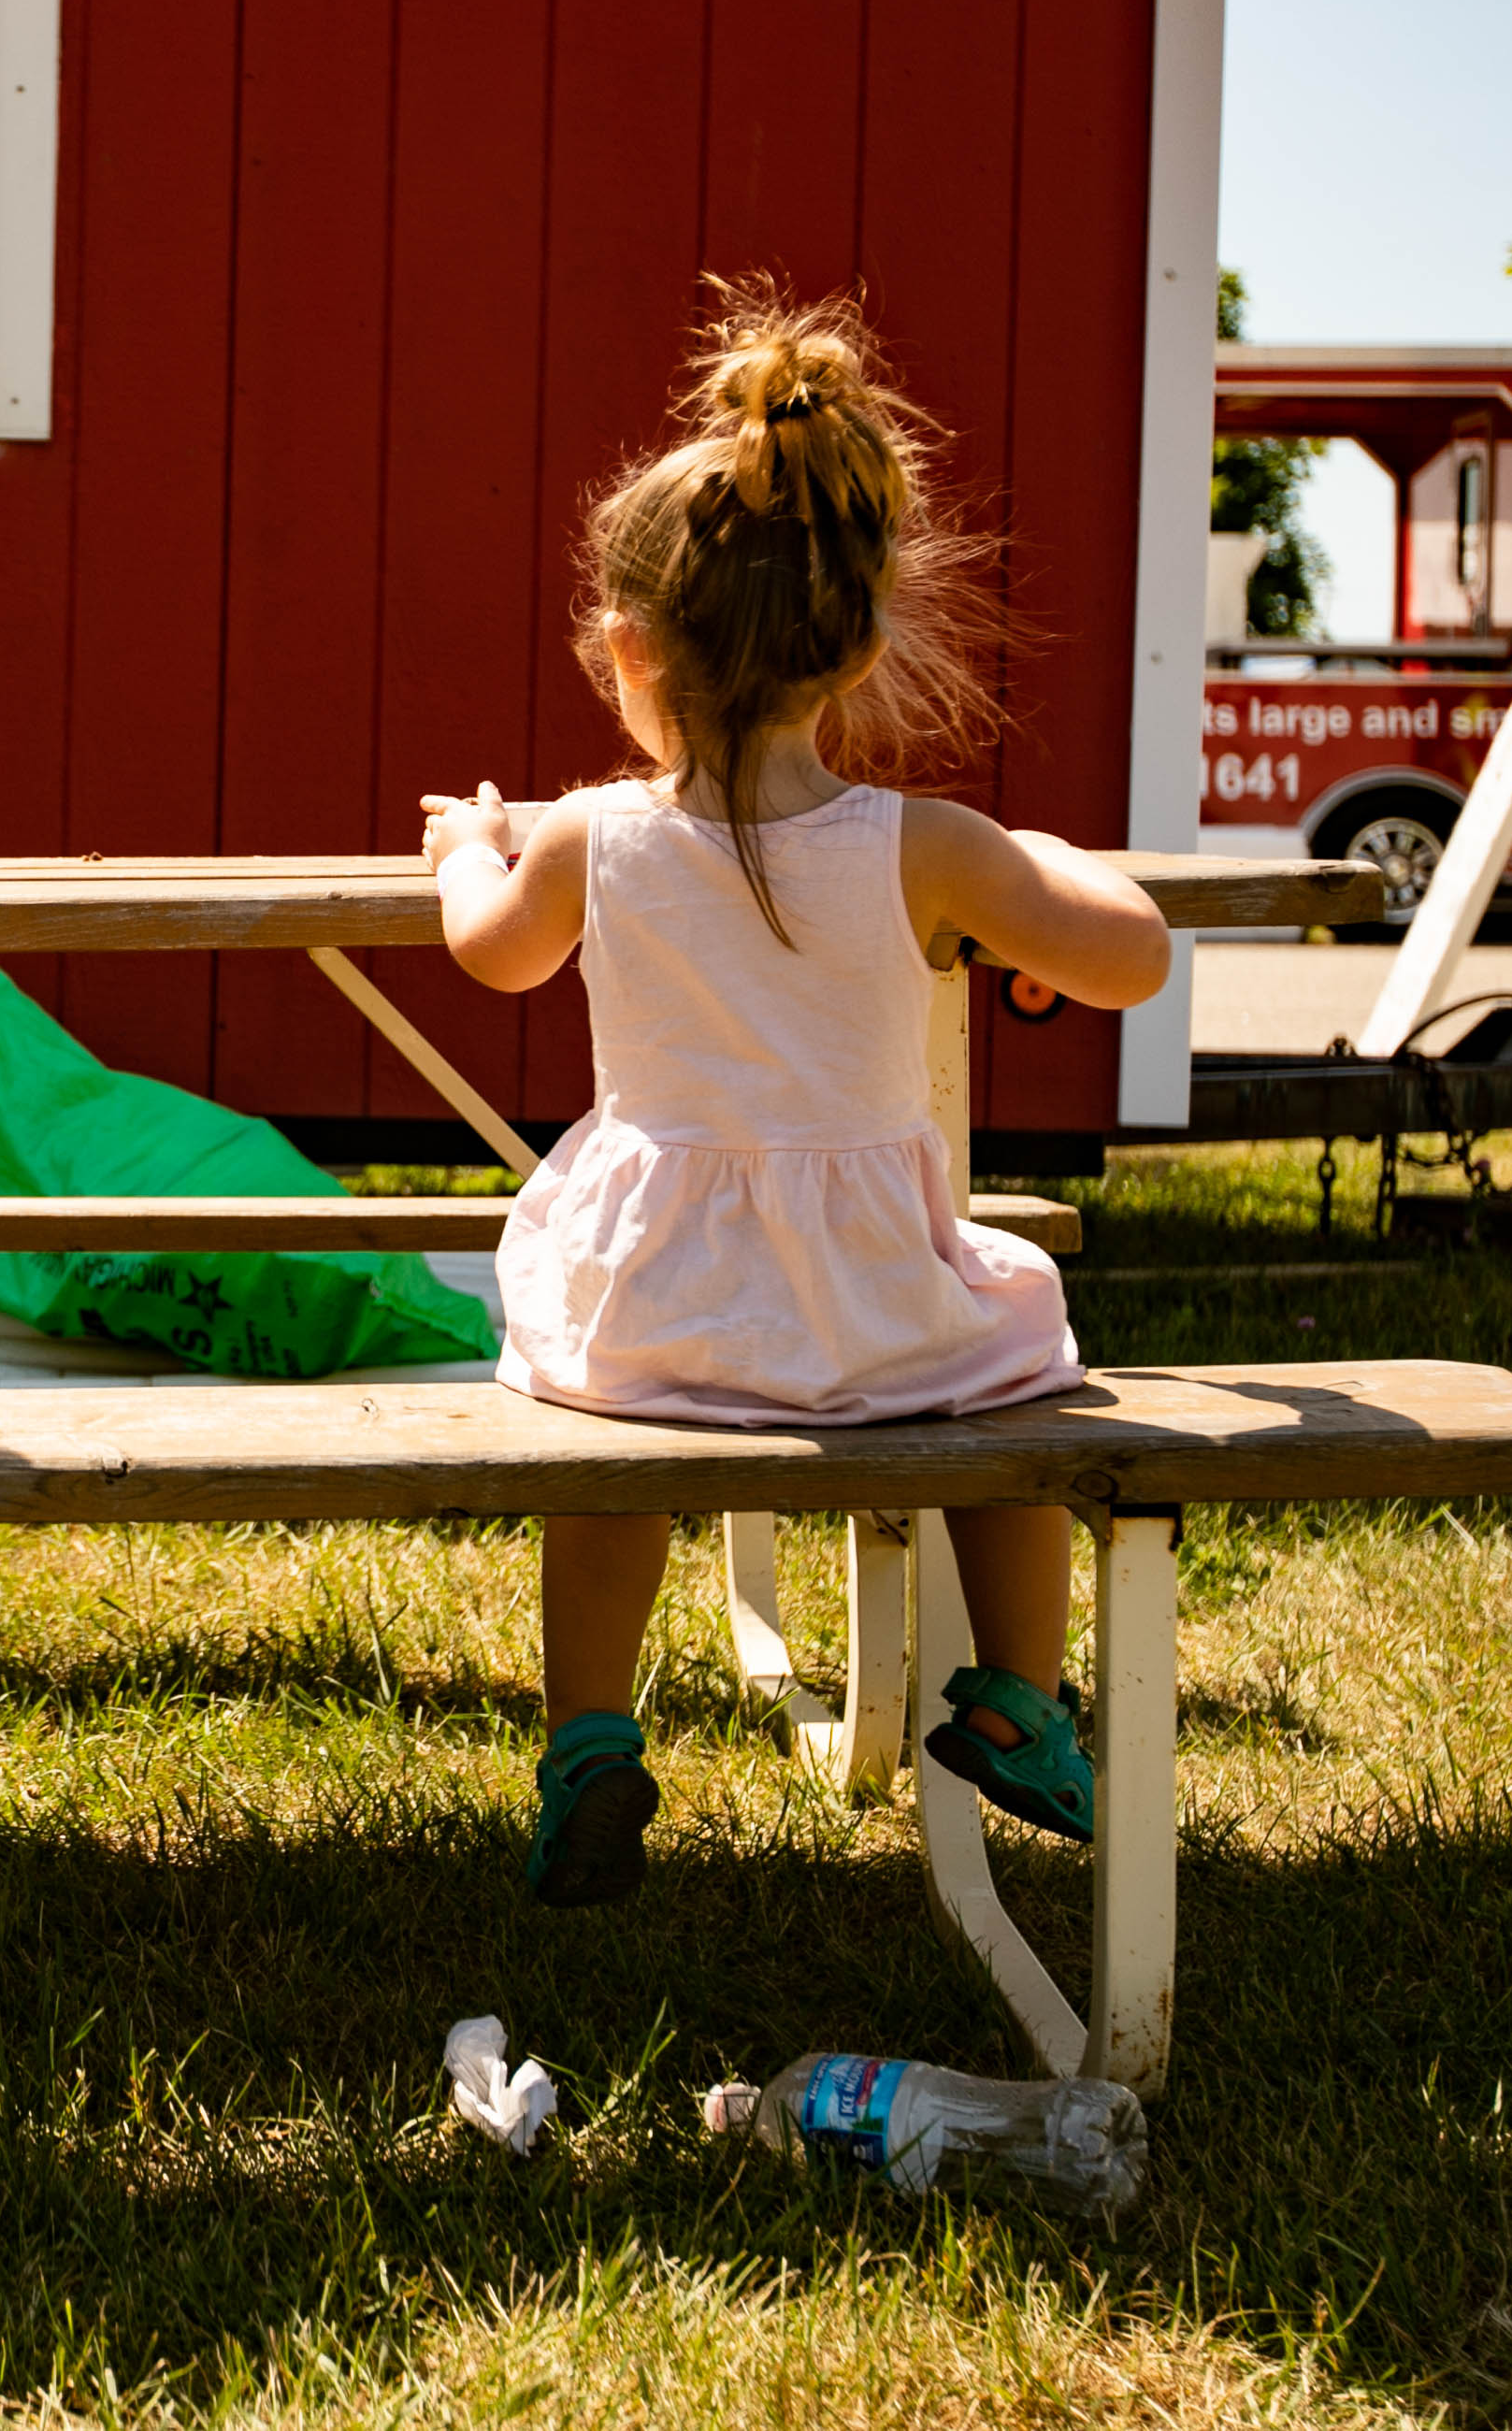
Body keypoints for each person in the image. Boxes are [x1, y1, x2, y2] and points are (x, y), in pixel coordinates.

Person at [419, 288, 1173, 1909]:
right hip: (879, 1317)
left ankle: (590, 1738)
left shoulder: (586, 835)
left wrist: (463, 848)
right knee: (1019, 1368)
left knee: (605, 1442)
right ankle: (1021, 1699)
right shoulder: (930, 843)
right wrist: (1037, 860)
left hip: (661, 1308)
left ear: (631, 651)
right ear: (859, 637)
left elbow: (487, 952)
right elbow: (1131, 959)